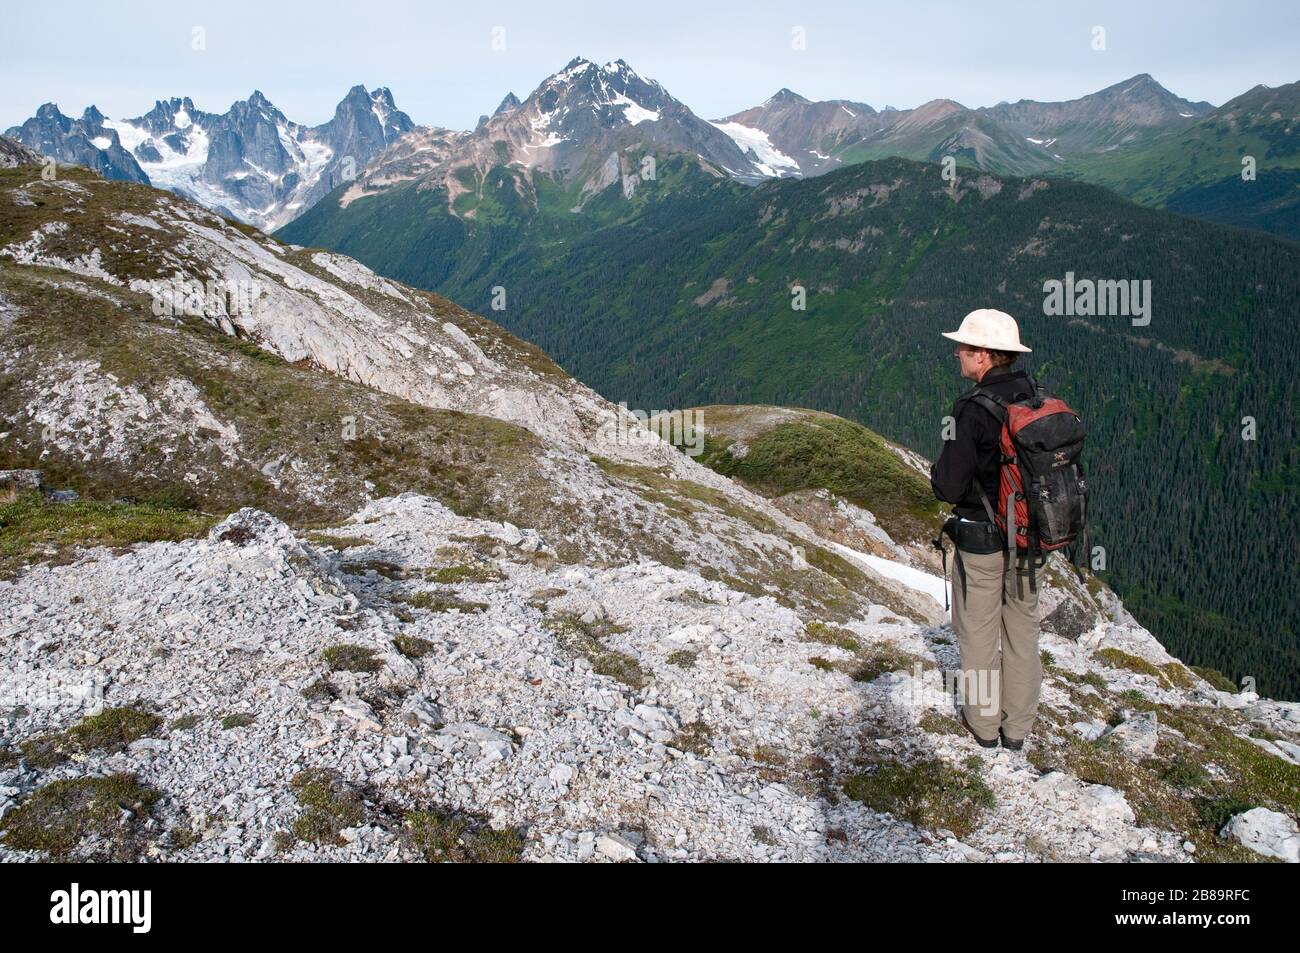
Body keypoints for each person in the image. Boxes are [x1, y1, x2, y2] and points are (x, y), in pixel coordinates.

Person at [930, 309, 1038, 751]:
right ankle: (1018, 730)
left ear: (983, 355)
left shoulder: (971, 409)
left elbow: (949, 486)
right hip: (1030, 538)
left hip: (982, 539)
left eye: (963, 346)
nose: (956, 352)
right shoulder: (1034, 395)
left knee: (978, 631)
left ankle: (984, 726)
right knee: (1022, 632)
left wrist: (939, 474)